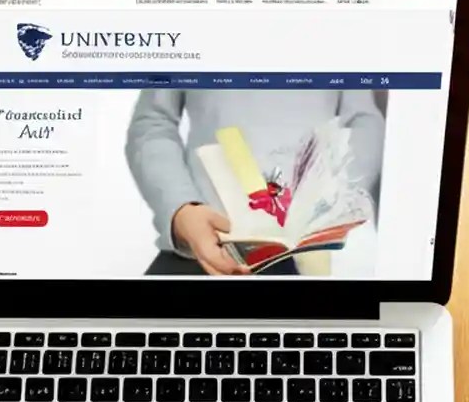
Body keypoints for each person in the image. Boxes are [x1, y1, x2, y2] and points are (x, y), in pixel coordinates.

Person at [125, 89, 385, 275]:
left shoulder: (342, 29)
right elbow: (154, 123)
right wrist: (180, 208)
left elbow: (363, 120)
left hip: (305, 255)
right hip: (207, 246)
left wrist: (330, 197)